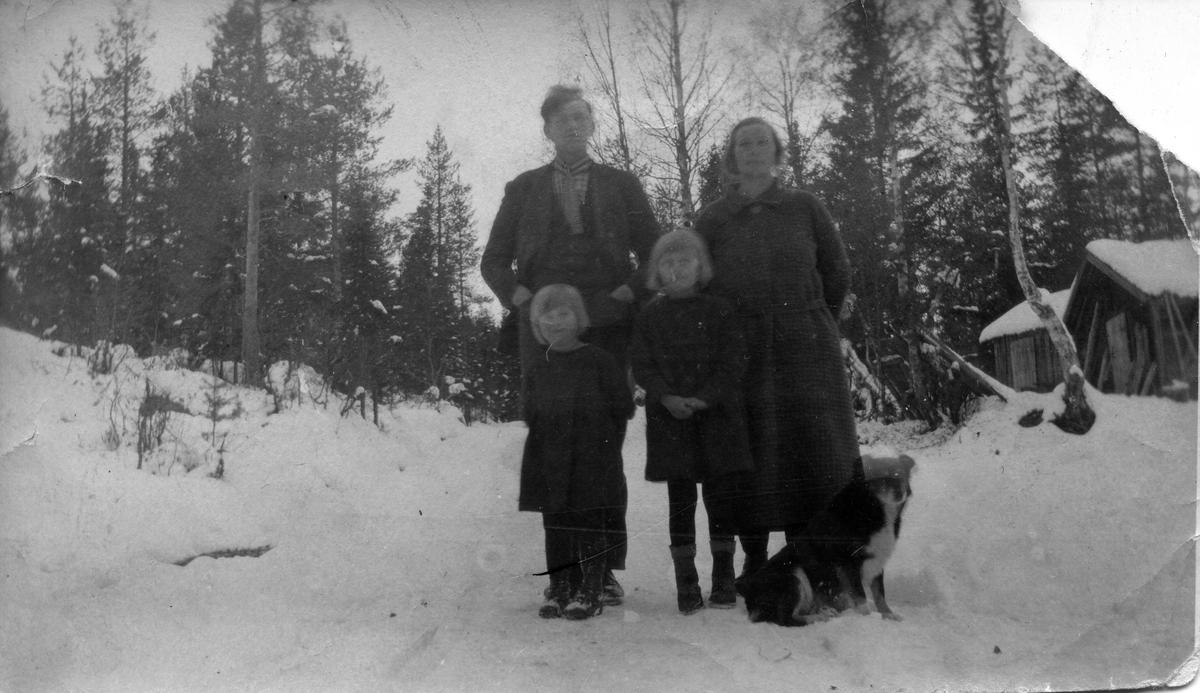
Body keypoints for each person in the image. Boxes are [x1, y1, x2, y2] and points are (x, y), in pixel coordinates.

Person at [481, 84, 660, 604]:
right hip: (545, 331)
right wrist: (522, 302)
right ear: (547, 131)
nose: (573, 127)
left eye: (581, 117)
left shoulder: (622, 184)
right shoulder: (523, 188)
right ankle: (563, 573)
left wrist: (629, 291)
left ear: (592, 125)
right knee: (553, 447)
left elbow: (653, 250)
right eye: (562, 120)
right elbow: (493, 259)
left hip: (606, 324)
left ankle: (602, 570)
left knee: (604, 449)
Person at [693, 117, 861, 591]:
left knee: (814, 452)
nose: (752, 150)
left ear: (777, 152)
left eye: (761, 142)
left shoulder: (805, 206)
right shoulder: (713, 217)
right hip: (743, 349)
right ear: (731, 156)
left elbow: (837, 271)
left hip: (806, 346)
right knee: (755, 452)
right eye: (742, 144)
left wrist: (812, 322)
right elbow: (699, 283)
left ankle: (810, 561)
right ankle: (756, 561)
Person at [629, 229, 753, 614]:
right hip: (670, 418)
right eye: (667, 262)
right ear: (656, 270)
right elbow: (642, 363)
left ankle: (723, 579)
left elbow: (734, 360)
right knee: (680, 500)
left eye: (685, 261)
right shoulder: (650, 314)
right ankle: (686, 583)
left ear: (701, 267)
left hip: (716, 415)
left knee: (719, 497)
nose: (676, 269)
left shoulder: (719, 309)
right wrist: (666, 396)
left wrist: (705, 397)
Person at [518, 284, 634, 620]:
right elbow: (530, 411)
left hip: (591, 455)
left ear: (579, 317)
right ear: (539, 325)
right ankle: (559, 587)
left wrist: (598, 436)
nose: (557, 321)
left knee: (589, 521)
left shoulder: (599, 360)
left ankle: (591, 589)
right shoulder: (539, 367)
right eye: (548, 317)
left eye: (564, 314)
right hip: (549, 456)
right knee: (555, 523)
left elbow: (622, 406)